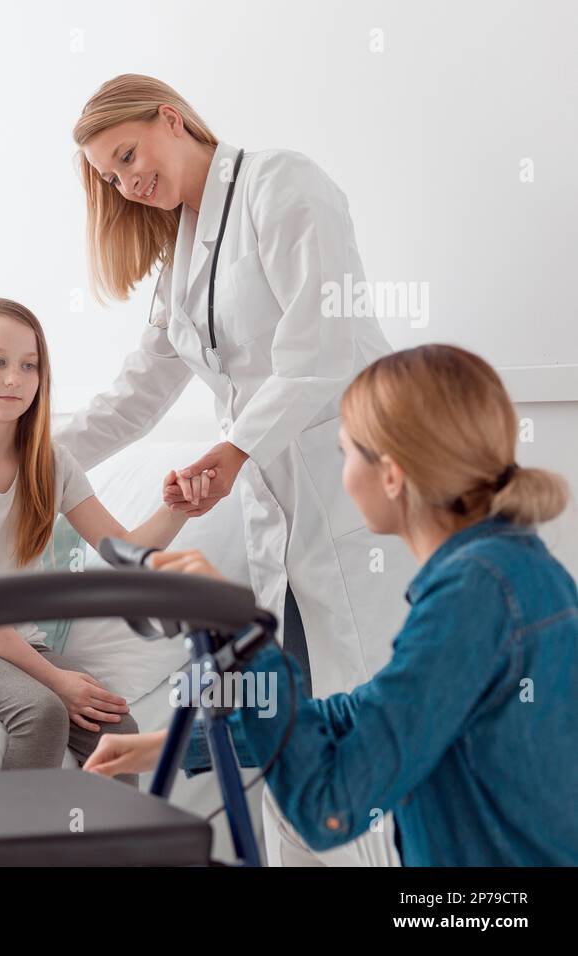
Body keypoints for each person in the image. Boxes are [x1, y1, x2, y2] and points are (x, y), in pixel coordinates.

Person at [56, 73, 411, 864]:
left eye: (126, 155)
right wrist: (29, 462)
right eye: (110, 177)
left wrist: (232, 448)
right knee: (289, 733)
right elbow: (137, 394)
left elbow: (320, 350)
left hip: (352, 502)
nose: (127, 182)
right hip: (273, 521)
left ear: (170, 118)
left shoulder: (283, 186)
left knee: (355, 727)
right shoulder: (178, 256)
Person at [85, 344, 578, 866]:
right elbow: (364, 715)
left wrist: (242, 631)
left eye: (346, 454)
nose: (342, 477)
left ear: (391, 475)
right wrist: (177, 744)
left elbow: (328, 809)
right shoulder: (510, 571)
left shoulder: (473, 595)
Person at [0, 297, 213, 785]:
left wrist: (176, 508)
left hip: (16, 641)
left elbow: (123, 550)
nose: (14, 378)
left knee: (116, 729)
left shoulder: (52, 463)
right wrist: (58, 681)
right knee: (40, 711)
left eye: (28, 365)